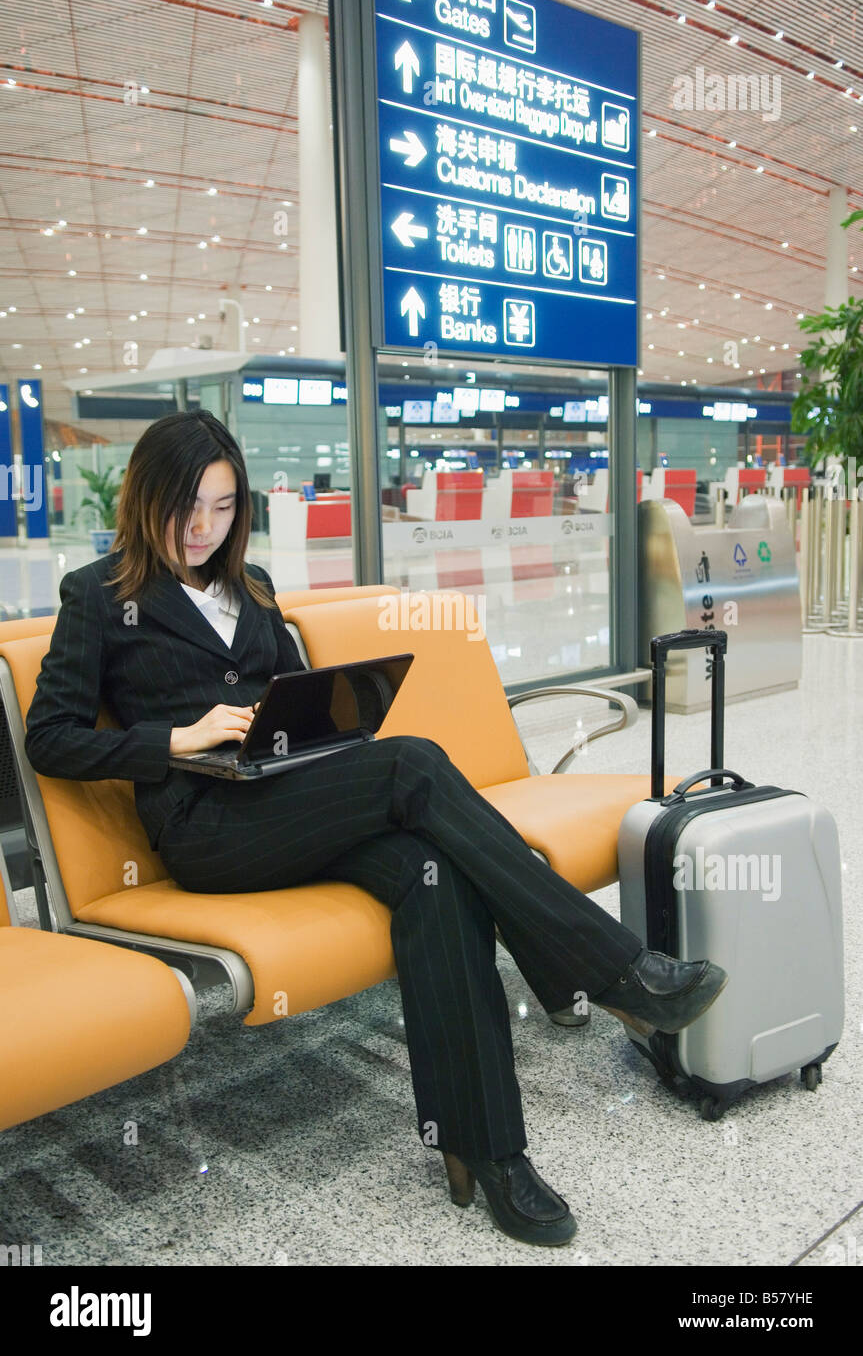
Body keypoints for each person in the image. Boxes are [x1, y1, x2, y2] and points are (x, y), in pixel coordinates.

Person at [25, 412, 728, 1249]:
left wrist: (320, 719)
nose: (201, 528)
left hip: (287, 798)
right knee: (414, 764)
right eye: (185, 508)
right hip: (207, 827)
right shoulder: (100, 596)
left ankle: (487, 1150)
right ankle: (611, 972)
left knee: (431, 873)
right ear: (147, 499)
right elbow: (51, 738)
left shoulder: (249, 585)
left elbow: (296, 702)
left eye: (219, 506)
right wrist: (175, 739)